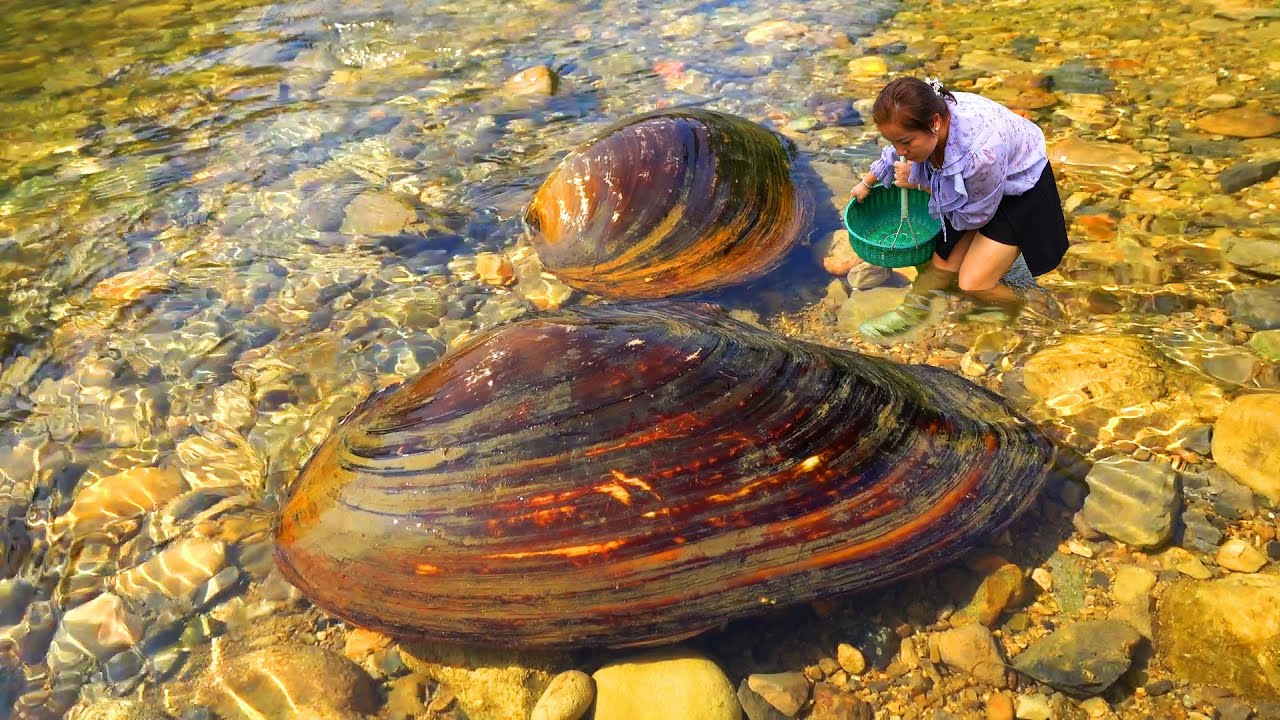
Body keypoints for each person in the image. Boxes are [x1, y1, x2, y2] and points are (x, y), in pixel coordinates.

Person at [848, 76, 1068, 340]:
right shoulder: (925, 117)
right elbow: (895, 154)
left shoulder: (981, 154)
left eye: (906, 142)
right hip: (976, 189)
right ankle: (913, 310)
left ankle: (1027, 302)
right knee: (943, 265)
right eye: (894, 141)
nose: (901, 150)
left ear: (936, 123)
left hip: (1020, 186)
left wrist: (919, 183)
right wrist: (866, 183)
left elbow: (974, 216)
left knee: (972, 284)